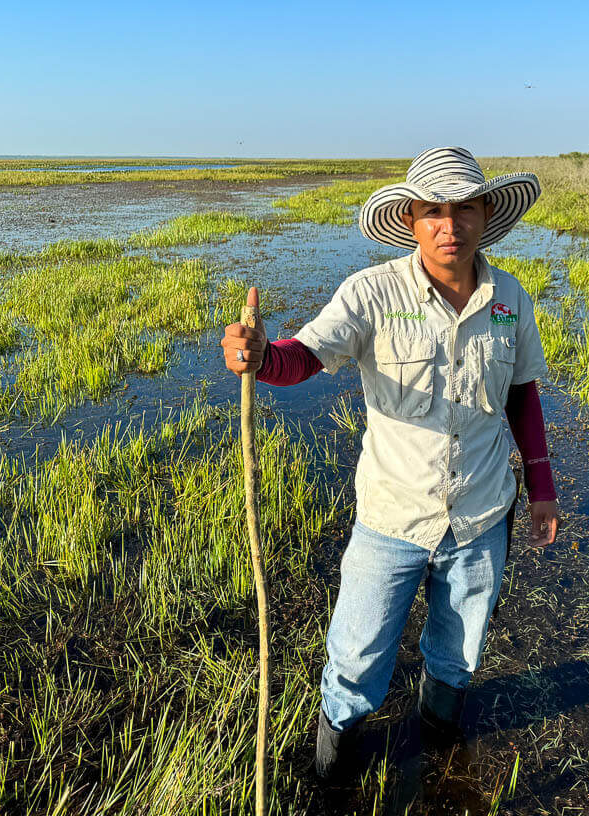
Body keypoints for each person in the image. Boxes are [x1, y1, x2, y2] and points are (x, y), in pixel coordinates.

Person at [221, 146, 559, 780]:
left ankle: (439, 758)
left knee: (458, 656)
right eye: (433, 211)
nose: (448, 226)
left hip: (483, 516)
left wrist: (541, 488)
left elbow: (522, 394)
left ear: (486, 214)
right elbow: (304, 358)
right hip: (391, 519)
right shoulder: (371, 294)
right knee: (355, 661)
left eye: (463, 209)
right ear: (411, 220)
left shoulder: (511, 298)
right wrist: (260, 356)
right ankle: (334, 779)